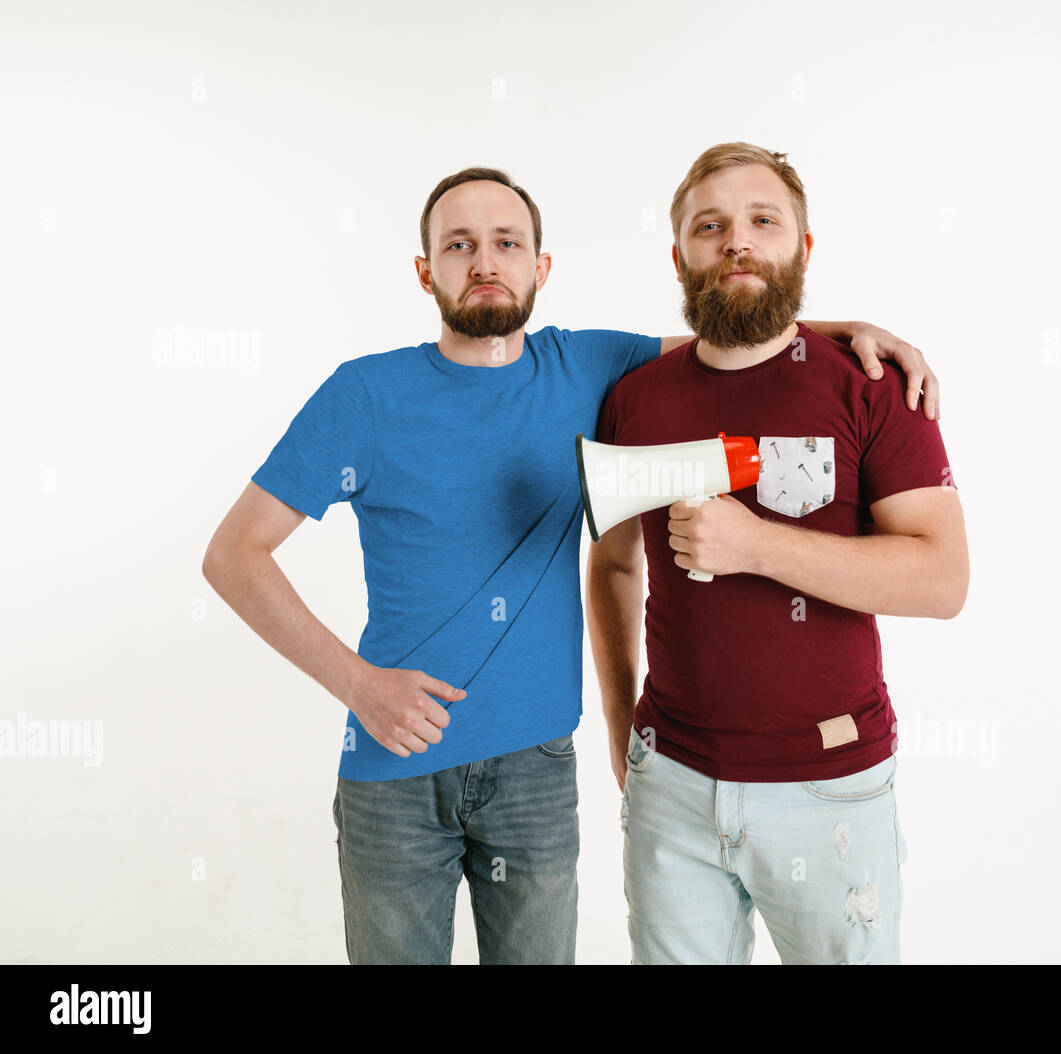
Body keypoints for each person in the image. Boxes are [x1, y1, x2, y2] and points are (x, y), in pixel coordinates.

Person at [201, 163, 941, 965]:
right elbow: (234, 554)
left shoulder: (589, 367)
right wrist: (357, 685)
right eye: (459, 245)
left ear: (539, 268)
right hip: (395, 770)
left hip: (537, 774)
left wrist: (856, 330)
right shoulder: (364, 395)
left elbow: (739, 332)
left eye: (507, 243)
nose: (485, 262)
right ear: (426, 272)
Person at [588, 142, 969, 965]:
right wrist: (623, 728)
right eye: (710, 226)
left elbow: (943, 578)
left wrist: (756, 544)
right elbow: (614, 564)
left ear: (803, 245)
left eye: (764, 220)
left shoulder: (871, 385)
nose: (738, 241)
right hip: (673, 789)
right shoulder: (634, 397)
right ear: (681, 255)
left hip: (831, 789)